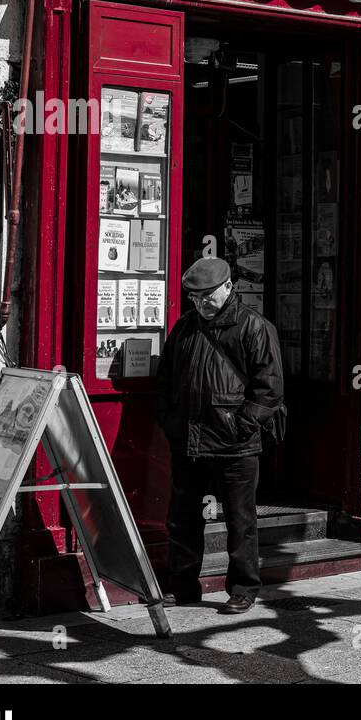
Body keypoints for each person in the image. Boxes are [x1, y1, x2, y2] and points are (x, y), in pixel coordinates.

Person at [156, 257, 284, 614]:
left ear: (229, 287)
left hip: (236, 445)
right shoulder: (184, 328)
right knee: (182, 518)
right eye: (194, 298)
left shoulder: (254, 327)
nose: (201, 304)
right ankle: (182, 586)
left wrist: (241, 425)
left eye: (207, 296)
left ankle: (243, 588)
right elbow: (165, 380)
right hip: (190, 440)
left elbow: (269, 389)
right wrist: (171, 422)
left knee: (241, 520)